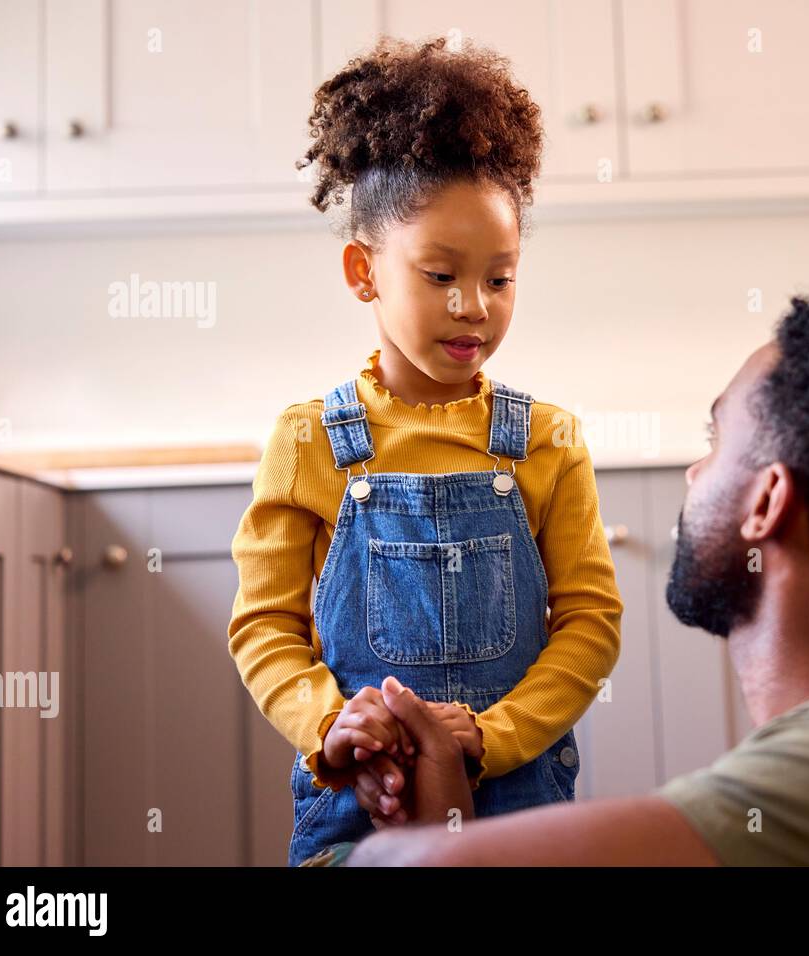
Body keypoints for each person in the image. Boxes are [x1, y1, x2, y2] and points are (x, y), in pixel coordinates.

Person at [330, 288, 809, 866]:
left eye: (716, 440)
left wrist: (412, 838)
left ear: (768, 502)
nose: (693, 470)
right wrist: (444, 799)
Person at [227, 35, 623, 867]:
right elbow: (265, 628)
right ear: (363, 271)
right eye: (440, 275)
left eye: (501, 277)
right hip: (355, 811)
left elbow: (590, 626)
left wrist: (487, 736)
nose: (474, 306)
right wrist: (334, 729)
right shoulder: (308, 441)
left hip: (517, 803)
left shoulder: (549, 439)